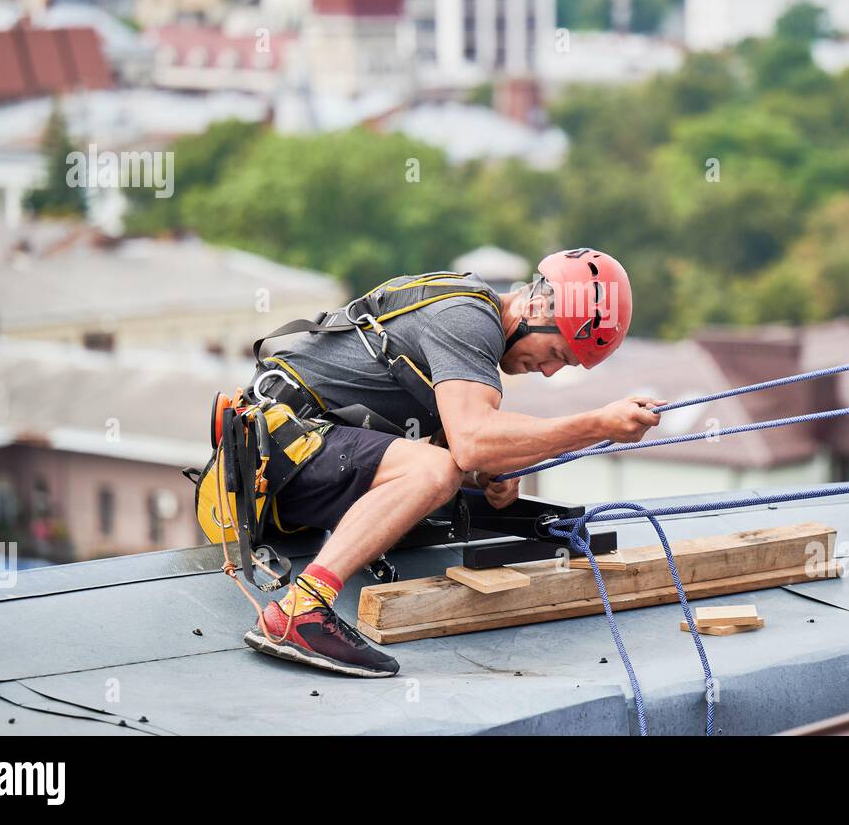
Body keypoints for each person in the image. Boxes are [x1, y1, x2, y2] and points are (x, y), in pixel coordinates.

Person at [242, 247, 666, 677]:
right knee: (439, 469)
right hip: (281, 449)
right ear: (536, 305)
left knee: (445, 468)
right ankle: (302, 609)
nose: (551, 372)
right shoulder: (469, 317)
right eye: (557, 353)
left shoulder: (471, 327)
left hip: (292, 460)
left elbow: (468, 448)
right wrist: (597, 425)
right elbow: (469, 445)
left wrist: (488, 474)